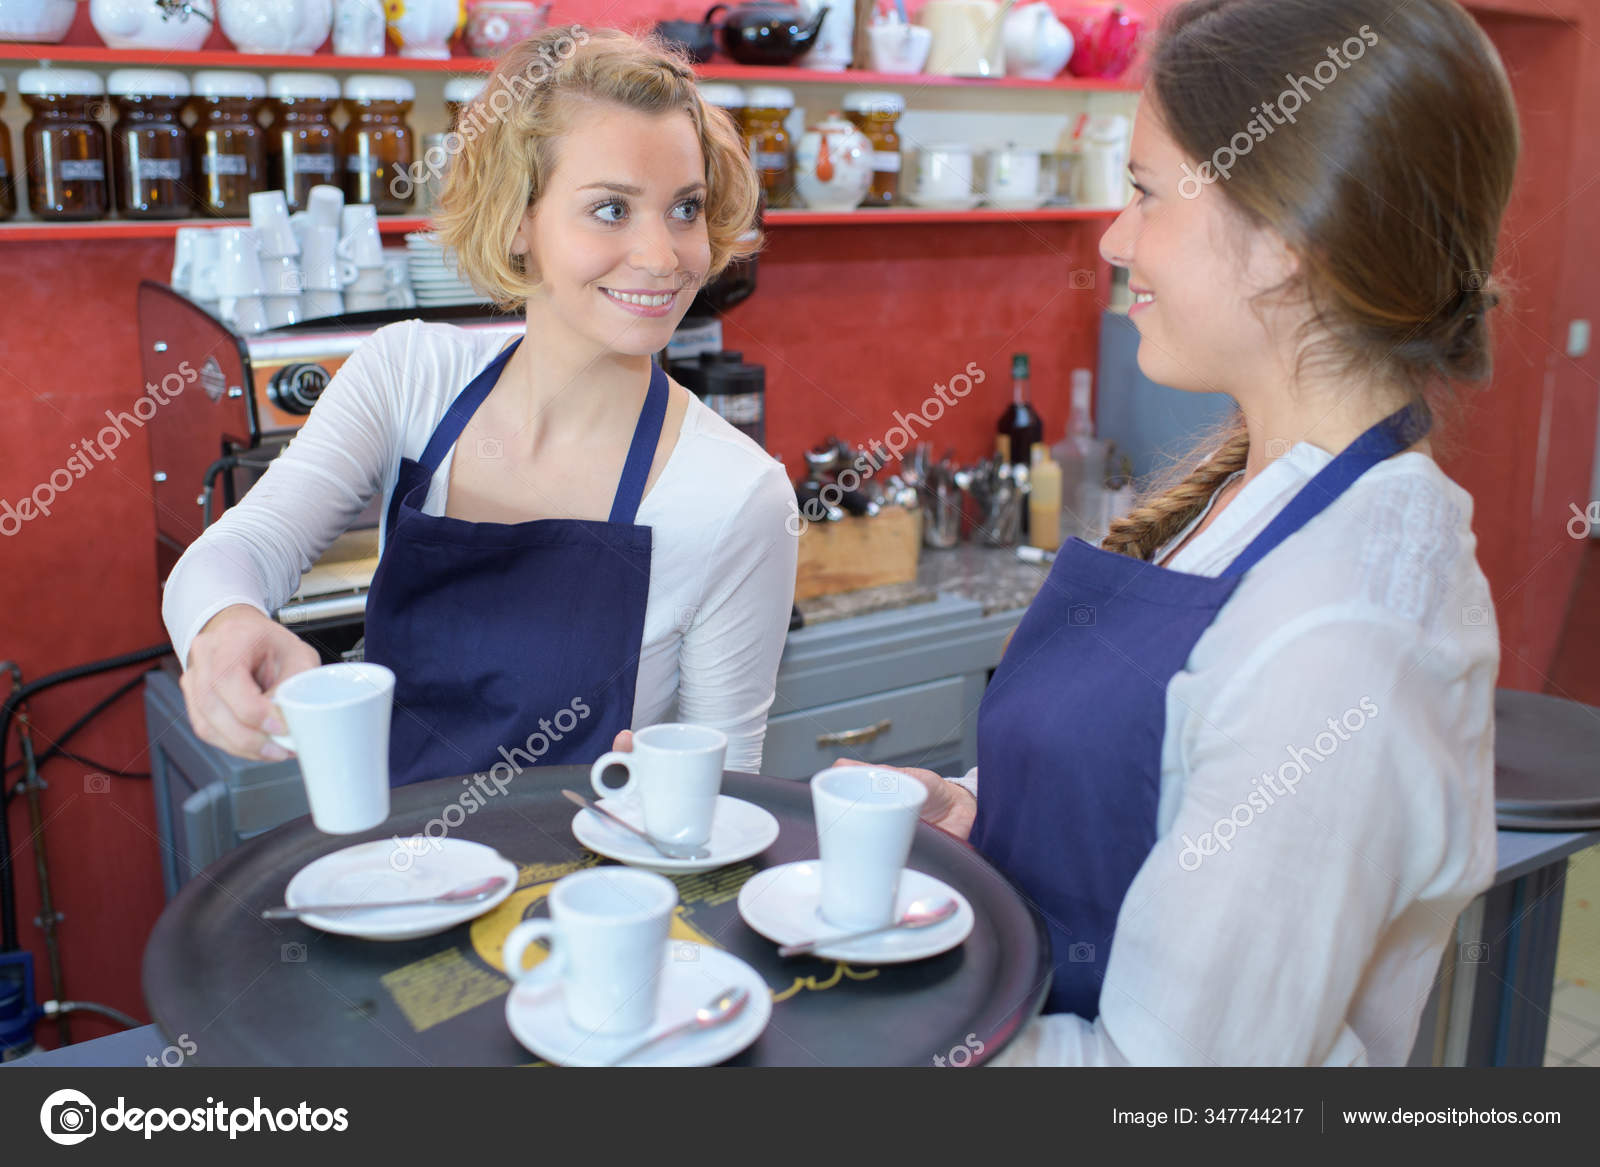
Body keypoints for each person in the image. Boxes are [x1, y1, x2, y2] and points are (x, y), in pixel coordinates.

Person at [850, 0, 1518, 1065]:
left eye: (1147, 193)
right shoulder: (1255, 497)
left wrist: (852, 1042)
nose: (1115, 239)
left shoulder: (1340, 640)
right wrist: (978, 810)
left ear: (1284, 242)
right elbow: (1155, 789)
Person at [164, 28, 797, 786]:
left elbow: (727, 800)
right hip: (399, 884)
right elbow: (238, 552)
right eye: (610, 210)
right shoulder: (410, 375)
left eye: (685, 208)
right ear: (518, 218)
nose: (664, 256)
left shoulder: (738, 494)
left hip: (596, 895)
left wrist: (670, 800)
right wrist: (225, 623)